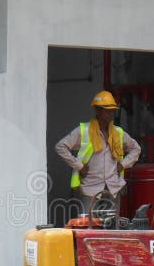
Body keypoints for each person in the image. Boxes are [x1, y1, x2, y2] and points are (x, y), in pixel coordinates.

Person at [55, 90, 141, 218]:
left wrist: (123, 165)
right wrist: (79, 166)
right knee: (87, 227)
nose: (111, 114)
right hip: (90, 188)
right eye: (107, 110)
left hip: (113, 188)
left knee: (112, 229)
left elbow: (136, 148)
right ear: (97, 111)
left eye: (112, 110)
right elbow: (60, 147)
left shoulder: (118, 133)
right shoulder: (83, 131)